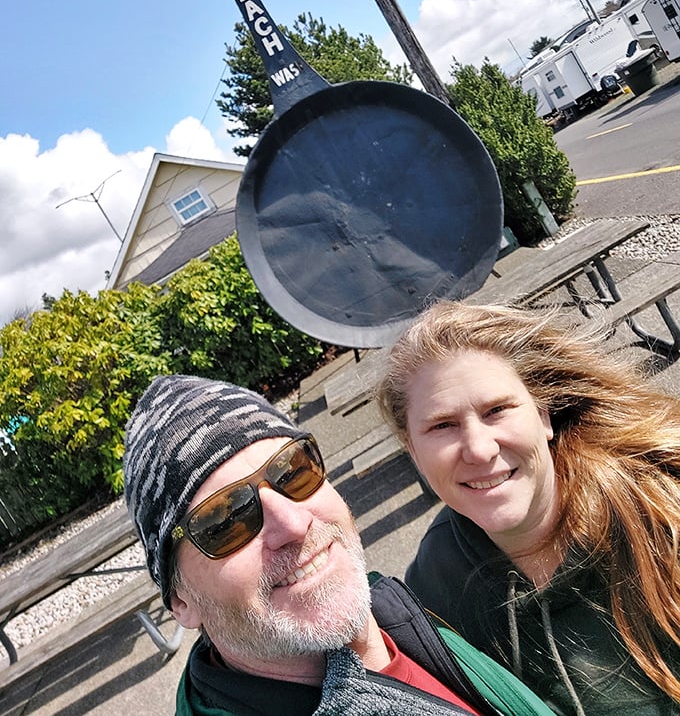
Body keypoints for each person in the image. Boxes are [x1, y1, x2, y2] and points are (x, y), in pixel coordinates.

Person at [123, 374, 555, 716]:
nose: (292, 523)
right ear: (181, 603)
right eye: (225, 519)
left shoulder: (398, 609)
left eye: (292, 471)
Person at [375, 300, 680, 716]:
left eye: (496, 410)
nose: (479, 449)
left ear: (544, 415)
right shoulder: (433, 590)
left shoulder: (661, 506)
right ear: (413, 451)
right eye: (442, 425)